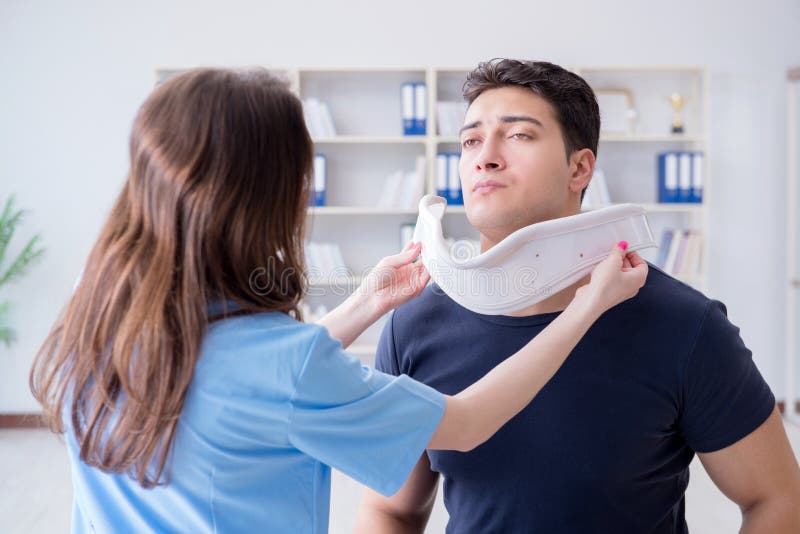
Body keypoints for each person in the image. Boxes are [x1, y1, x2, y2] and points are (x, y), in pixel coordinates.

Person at [29, 68, 646, 533]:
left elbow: (235, 387)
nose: (485, 157)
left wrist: (364, 303)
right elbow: (464, 424)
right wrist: (583, 311)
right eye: (301, 178)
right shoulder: (285, 362)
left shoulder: (101, 314)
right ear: (263, 199)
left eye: (516, 135)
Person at [356, 59, 800, 533]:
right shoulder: (415, 326)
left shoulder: (685, 325)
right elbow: (390, 509)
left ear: (580, 168)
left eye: (519, 135)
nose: (485, 156)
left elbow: (776, 498)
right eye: (470, 140)